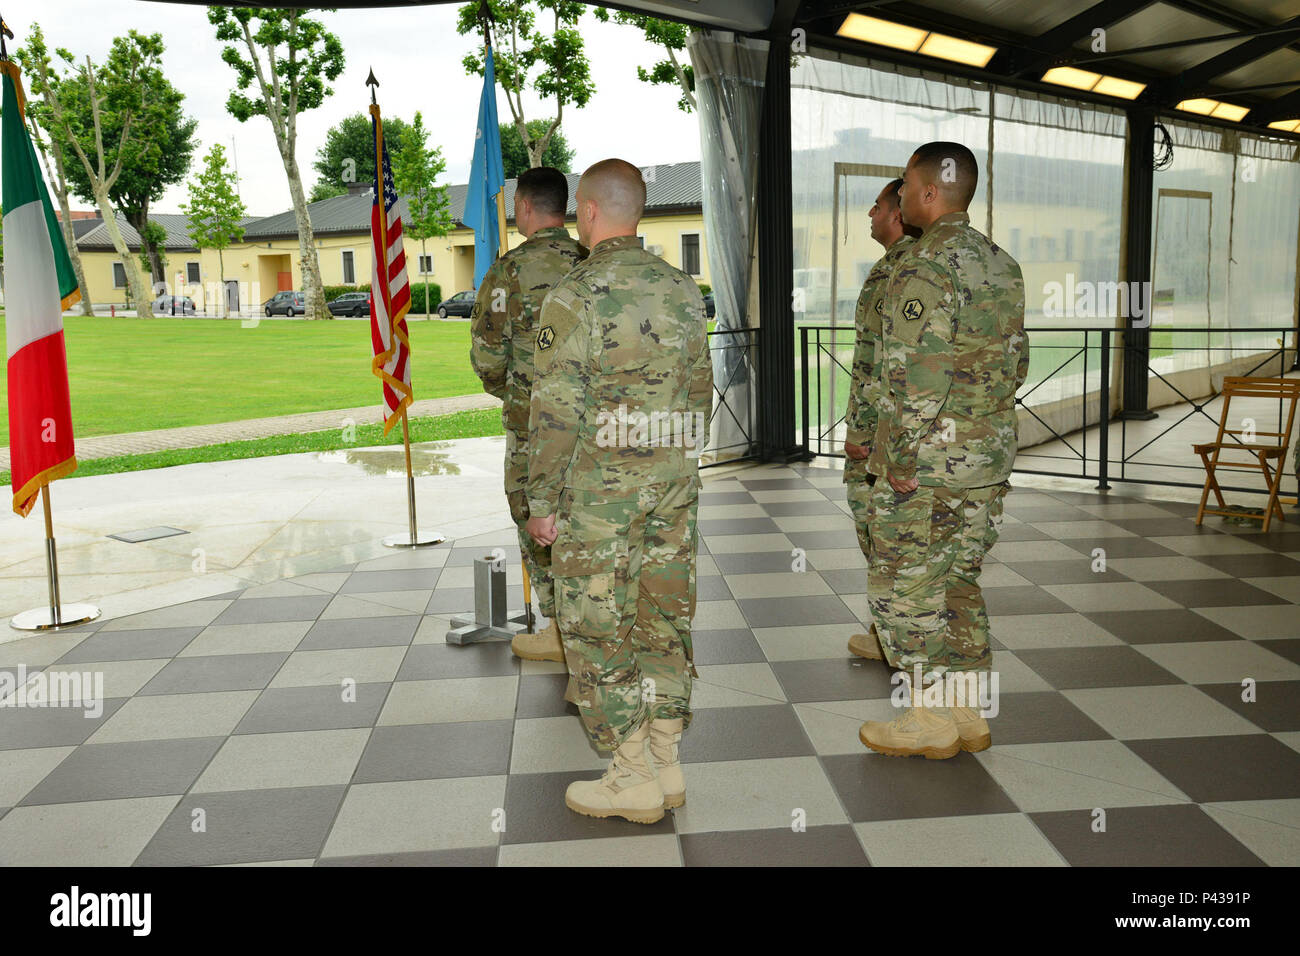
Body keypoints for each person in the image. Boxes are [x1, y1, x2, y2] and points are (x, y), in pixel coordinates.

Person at [525, 158, 712, 824]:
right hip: (671, 488)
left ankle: (631, 776)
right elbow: (700, 394)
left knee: (598, 630)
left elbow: (554, 412)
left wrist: (540, 502)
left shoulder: (575, 295)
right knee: (663, 623)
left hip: (599, 499)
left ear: (591, 210)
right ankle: (666, 760)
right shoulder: (684, 289)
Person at [858, 142, 1029, 759]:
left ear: (930, 192)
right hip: (986, 460)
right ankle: (968, 713)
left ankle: (928, 718)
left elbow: (913, 375)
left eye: (904, 185)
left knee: (902, 590)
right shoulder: (1000, 263)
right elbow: (1017, 359)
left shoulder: (924, 267)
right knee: (959, 583)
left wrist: (899, 456)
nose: (899, 196)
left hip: (929, 464)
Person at [469, 166, 584, 663]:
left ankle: (559, 630)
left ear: (524, 207)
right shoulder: (590, 262)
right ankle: (594, 625)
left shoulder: (509, 271)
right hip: (594, 426)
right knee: (587, 519)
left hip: (533, 426)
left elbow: (487, 358)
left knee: (535, 516)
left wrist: (520, 394)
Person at [843, 177, 921, 664]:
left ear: (896, 214)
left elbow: (882, 361)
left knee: (882, 533)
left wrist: (861, 432)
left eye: (876, 208)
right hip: (897, 426)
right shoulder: (907, 265)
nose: (870, 216)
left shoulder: (902, 270)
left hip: (884, 433)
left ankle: (894, 636)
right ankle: (884, 626)